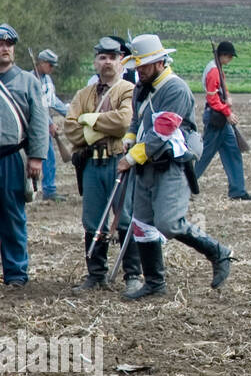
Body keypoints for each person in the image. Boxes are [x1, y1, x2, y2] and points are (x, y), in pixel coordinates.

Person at [117, 34, 233, 298]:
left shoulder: (175, 89)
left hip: (170, 164)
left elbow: (162, 132)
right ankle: (155, 284)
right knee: (142, 224)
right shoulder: (140, 87)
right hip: (146, 165)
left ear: (159, 62)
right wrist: (129, 139)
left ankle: (218, 252)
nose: (139, 70)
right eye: (137, 65)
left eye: (144, 65)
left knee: (169, 223)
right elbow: (138, 121)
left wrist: (130, 158)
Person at [64, 36, 143, 294]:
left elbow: (123, 122)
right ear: (95, 62)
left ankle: (133, 274)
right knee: (92, 220)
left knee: (125, 218)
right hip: (91, 164)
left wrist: (90, 119)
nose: (107, 62)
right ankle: (96, 274)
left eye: (112, 57)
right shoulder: (82, 94)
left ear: (121, 61)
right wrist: (91, 128)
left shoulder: (128, 90)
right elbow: (71, 129)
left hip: (119, 161)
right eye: (102, 57)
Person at [0, 24, 48, 289]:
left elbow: (39, 122)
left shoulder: (28, 81)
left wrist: (37, 156)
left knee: (12, 215)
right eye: (0, 44)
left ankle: (16, 273)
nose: (4, 48)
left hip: (11, 157)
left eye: (8, 44)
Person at [193, 40, 251, 200]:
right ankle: (185, 185)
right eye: (230, 56)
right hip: (216, 118)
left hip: (219, 118)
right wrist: (227, 112)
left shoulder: (216, 68)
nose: (231, 59)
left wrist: (227, 97)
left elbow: (221, 89)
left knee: (233, 151)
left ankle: (238, 190)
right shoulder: (214, 71)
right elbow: (212, 99)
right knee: (205, 154)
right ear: (224, 55)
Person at [33, 49, 67, 200]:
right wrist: (49, 123)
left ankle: (49, 190)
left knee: (50, 158)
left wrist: (70, 113)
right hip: (34, 125)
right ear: (41, 63)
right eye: (50, 65)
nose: (52, 68)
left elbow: (51, 101)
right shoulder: (31, 79)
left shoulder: (47, 79)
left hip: (44, 124)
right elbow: (37, 106)